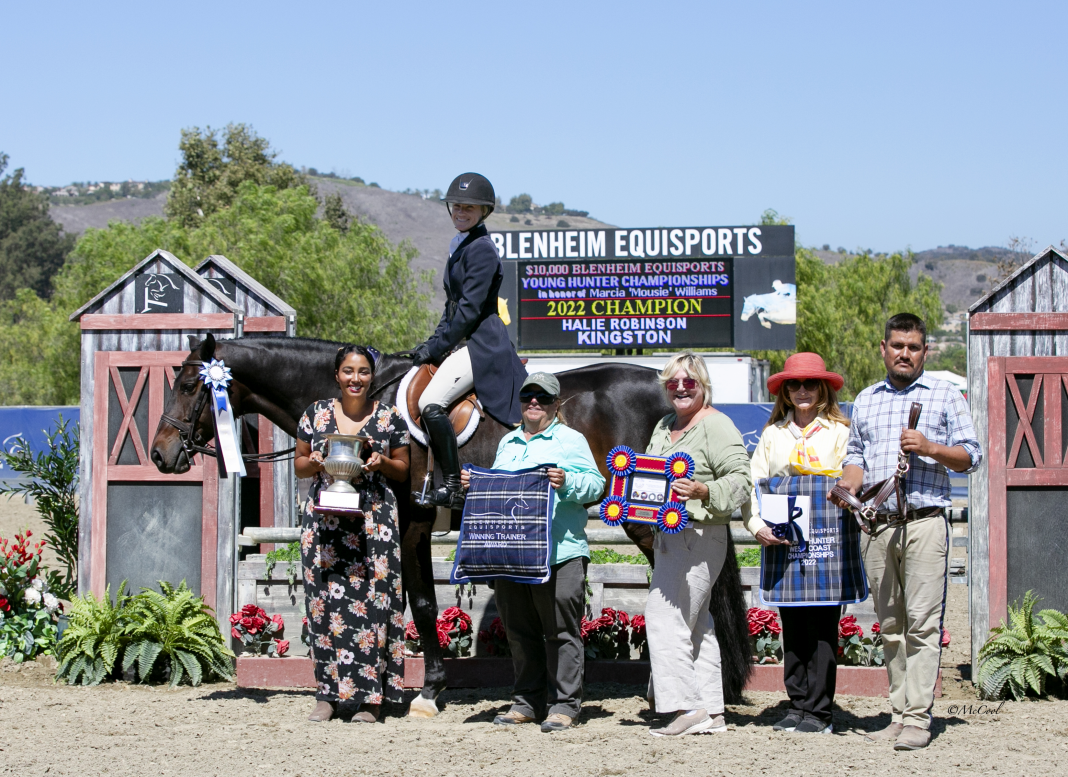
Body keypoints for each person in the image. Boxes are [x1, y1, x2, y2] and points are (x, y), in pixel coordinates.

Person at [829, 313, 981, 750]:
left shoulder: (945, 395)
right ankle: (898, 710)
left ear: (925, 352)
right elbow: (856, 453)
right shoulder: (867, 398)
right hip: (877, 526)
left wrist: (930, 448)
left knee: (923, 623)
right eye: (897, 345)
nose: (904, 353)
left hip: (924, 522)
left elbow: (971, 456)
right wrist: (849, 485)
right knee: (890, 623)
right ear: (883, 348)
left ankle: (918, 716)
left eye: (913, 347)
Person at [460, 372, 605, 733]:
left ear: (557, 404)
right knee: (519, 631)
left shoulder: (571, 440)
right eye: (528, 397)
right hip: (511, 555)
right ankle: (526, 700)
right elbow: (498, 492)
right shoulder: (508, 442)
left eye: (542, 397)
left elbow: (597, 485)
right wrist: (476, 485)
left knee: (561, 631)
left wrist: (567, 482)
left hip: (561, 552)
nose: (534, 402)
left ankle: (564, 704)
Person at [295, 345, 411, 723]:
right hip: (324, 525)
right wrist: (312, 462)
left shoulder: (391, 417)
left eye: (363, 372)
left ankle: (371, 699)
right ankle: (327, 695)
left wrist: (382, 462)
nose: (355, 378)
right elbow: (298, 465)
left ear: (372, 376)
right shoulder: (315, 414)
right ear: (337, 374)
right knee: (323, 604)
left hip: (373, 523)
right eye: (348, 371)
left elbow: (403, 470)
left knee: (375, 605)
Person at [644, 351, 753, 737]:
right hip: (668, 536)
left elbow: (742, 477)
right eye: (672, 383)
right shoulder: (664, 426)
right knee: (698, 625)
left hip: (700, 534)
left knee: (661, 616)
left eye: (688, 382)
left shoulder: (717, 426)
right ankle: (711, 711)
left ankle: (685, 706)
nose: (680, 388)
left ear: (703, 385)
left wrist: (705, 490)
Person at [745, 352, 851, 734]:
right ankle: (797, 704)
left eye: (809, 383)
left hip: (826, 540)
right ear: (785, 392)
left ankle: (820, 711)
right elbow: (754, 484)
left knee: (823, 625)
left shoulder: (841, 432)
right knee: (792, 623)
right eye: (794, 384)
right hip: (784, 540)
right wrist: (756, 525)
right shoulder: (772, 435)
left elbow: (852, 481)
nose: (802, 390)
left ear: (823, 388)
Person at [411, 172, 527, 510]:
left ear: (484, 211)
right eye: (457, 206)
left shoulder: (482, 250)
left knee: (429, 402)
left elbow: (468, 313)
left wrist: (435, 348)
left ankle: (453, 486)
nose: (461, 212)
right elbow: (452, 309)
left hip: (482, 342)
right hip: (464, 339)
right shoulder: (460, 244)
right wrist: (432, 342)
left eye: (470, 207)